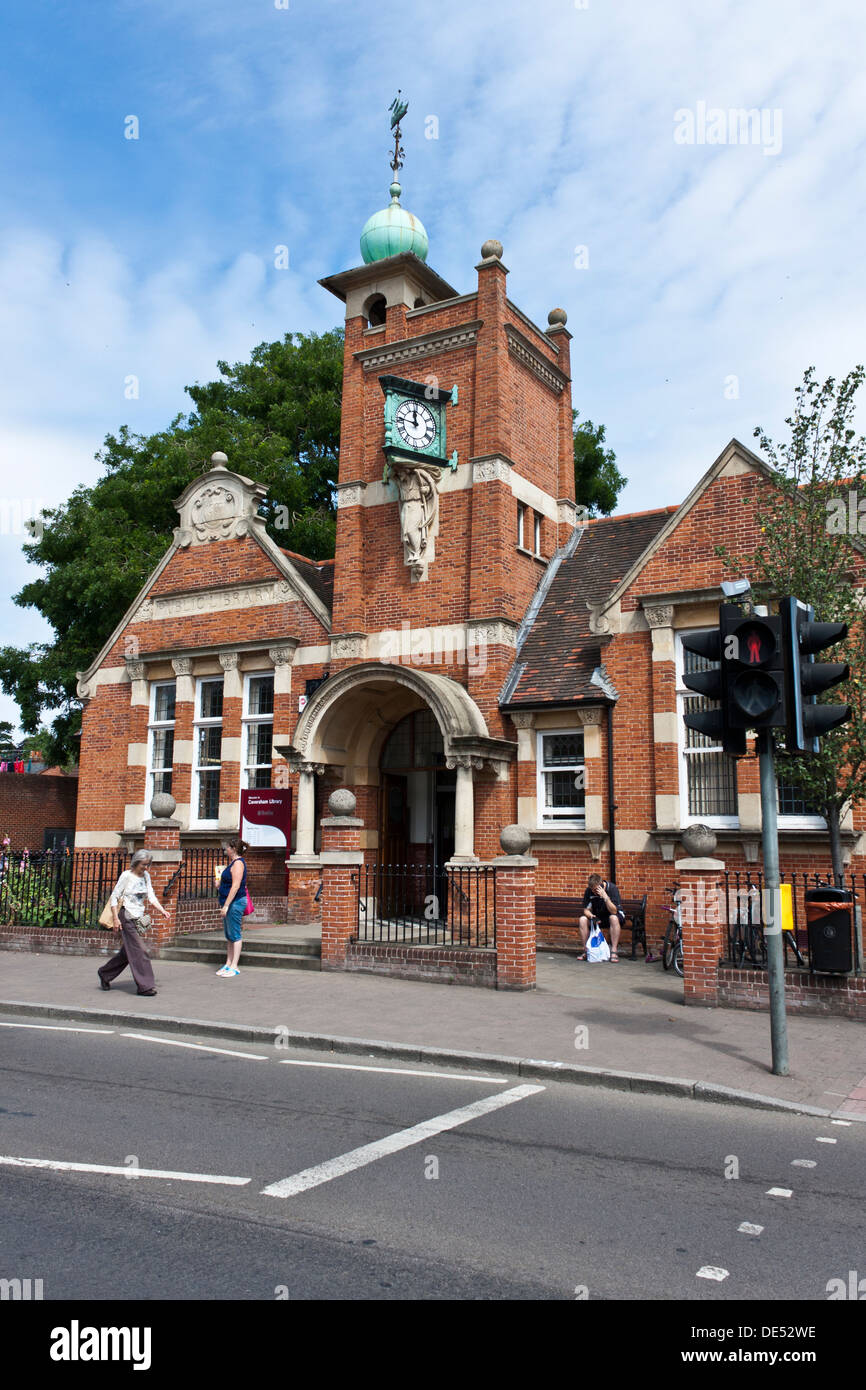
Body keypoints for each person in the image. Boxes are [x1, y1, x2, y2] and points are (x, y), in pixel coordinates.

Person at [98, 850, 169, 995]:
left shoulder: (146, 876)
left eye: (148, 865)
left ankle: (105, 973)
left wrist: (162, 910)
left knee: (128, 952)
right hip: (126, 916)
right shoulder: (126, 876)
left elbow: (151, 896)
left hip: (138, 919)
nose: (146, 868)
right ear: (136, 862)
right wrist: (116, 919)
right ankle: (146, 986)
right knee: (140, 950)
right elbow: (114, 897)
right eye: (144, 864)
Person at [217, 837, 248, 977]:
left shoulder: (238, 864)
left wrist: (226, 905)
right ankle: (228, 963)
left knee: (235, 934)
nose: (226, 849)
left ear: (234, 849)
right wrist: (218, 884)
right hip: (229, 902)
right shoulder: (232, 863)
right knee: (229, 935)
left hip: (235, 902)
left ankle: (235, 965)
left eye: (228, 847)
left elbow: (236, 886)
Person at [577, 872, 625, 963]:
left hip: (614, 917)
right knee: (582, 919)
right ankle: (586, 951)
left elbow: (614, 911)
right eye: (592, 890)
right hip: (598, 917)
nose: (594, 892)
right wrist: (591, 916)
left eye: (596, 889)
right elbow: (586, 910)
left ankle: (614, 951)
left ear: (601, 885)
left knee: (613, 918)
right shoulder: (589, 891)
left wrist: (605, 897)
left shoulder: (612, 889)